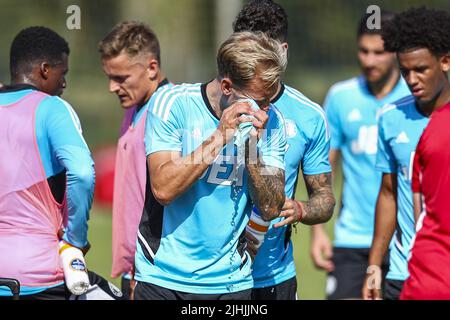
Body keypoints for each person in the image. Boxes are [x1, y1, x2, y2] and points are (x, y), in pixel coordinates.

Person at [133, 31, 287, 300]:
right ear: (227, 87)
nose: (265, 111)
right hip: (163, 279)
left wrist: (252, 151)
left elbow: (271, 207)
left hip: (231, 283)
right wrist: (220, 136)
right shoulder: (173, 103)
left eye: (269, 101)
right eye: (258, 101)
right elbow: (163, 189)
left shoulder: (273, 121)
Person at [0, 26, 123, 300]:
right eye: (62, 73)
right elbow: (81, 172)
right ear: (44, 69)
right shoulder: (52, 108)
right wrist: (75, 240)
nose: (64, 84)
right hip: (38, 275)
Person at [233, 0, 335, 300]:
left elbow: (325, 199)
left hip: (273, 277)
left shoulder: (309, 116)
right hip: (210, 277)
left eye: (264, 53)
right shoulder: (214, 102)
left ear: (283, 52)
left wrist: (301, 209)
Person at [311, 12, 411, 299]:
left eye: (379, 52)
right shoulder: (341, 97)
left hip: (402, 243)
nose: (369, 60)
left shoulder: (414, 98)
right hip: (351, 240)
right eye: (363, 51)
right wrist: (318, 232)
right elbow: (323, 167)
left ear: (396, 51)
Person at [374, 7, 449, 300]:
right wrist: (374, 263)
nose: (412, 79)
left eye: (421, 69)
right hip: (403, 272)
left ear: (445, 61)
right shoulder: (390, 116)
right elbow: (388, 192)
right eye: (405, 71)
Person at [99, 21, 171, 300]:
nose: (111, 88)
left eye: (120, 78)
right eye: (109, 77)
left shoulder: (168, 114)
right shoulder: (135, 107)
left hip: (154, 270)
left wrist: (141, 267)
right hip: (135, 268)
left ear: (151, 68)